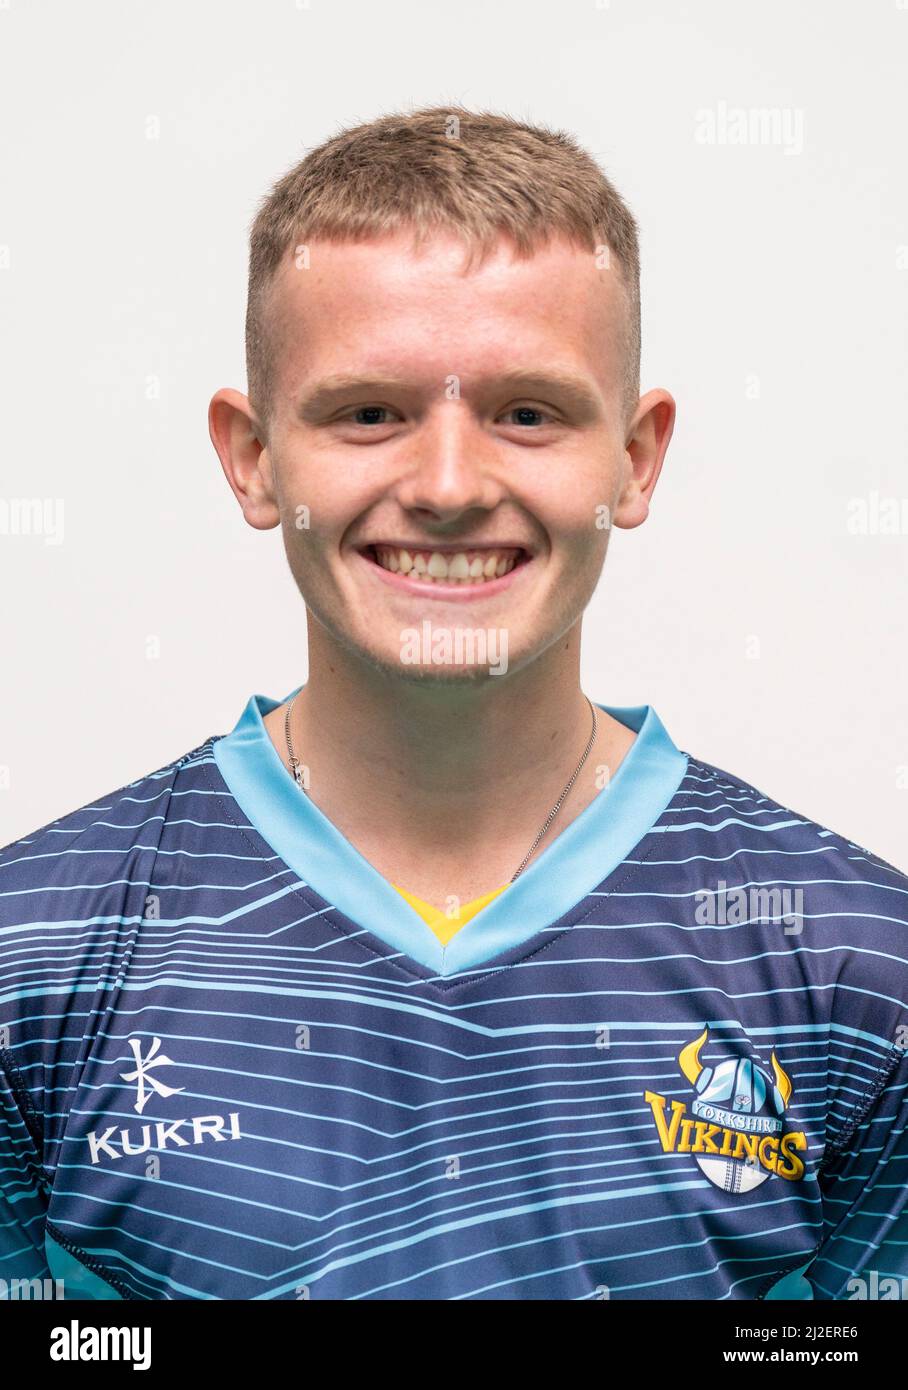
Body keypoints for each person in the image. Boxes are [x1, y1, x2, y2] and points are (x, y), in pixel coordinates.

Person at [1, 106, 906, 1302]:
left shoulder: (859, 972)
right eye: (368, 412)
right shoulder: (30, 962)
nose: (444, 485)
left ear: (635, 459)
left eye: (526, 412)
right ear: (252, 456)